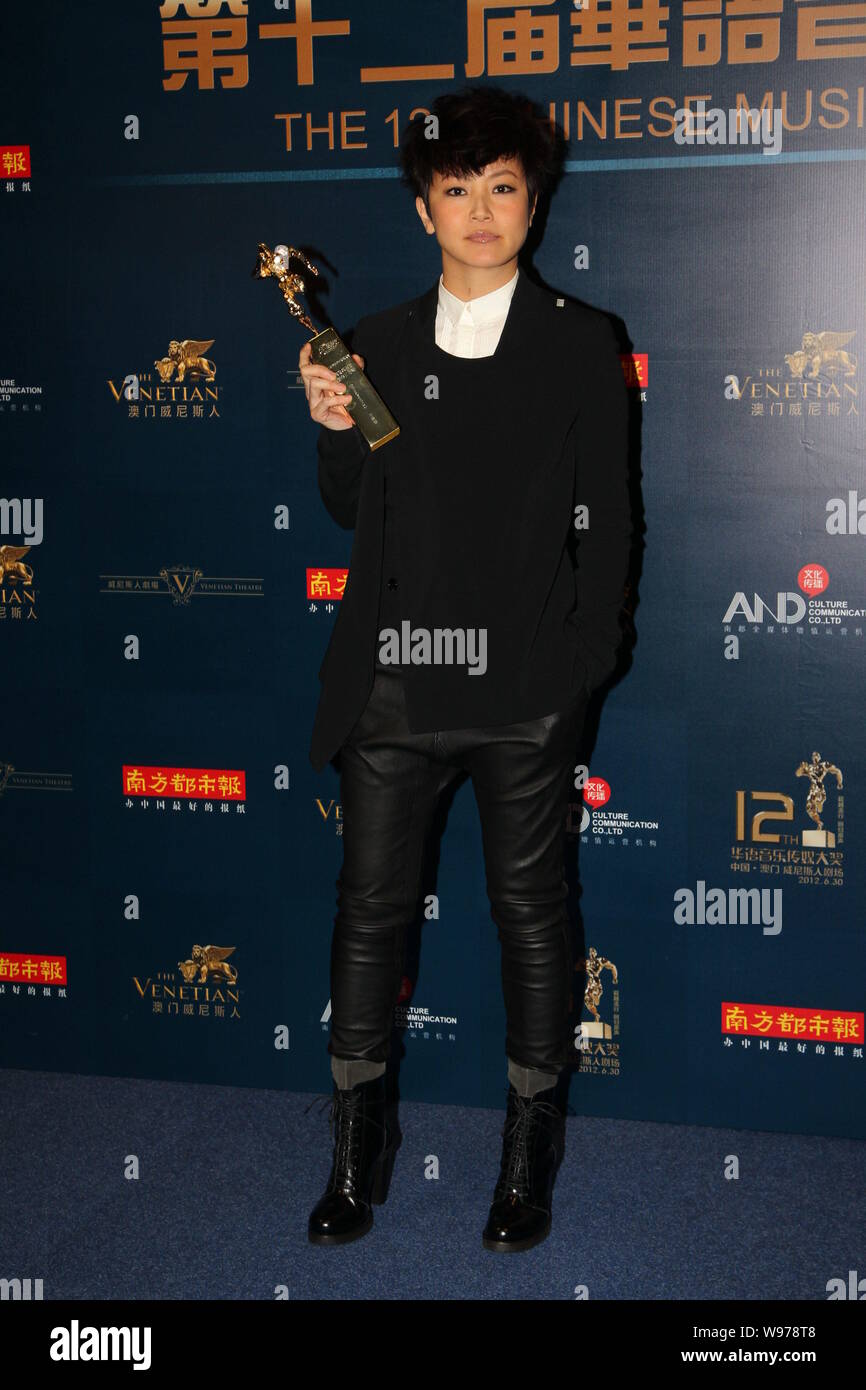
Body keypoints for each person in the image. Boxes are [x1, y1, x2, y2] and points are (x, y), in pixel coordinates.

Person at [298, 85, 632, 1252]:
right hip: (392, 682)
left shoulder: (581, 342)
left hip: (524, 690)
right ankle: (356, 1152)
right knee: (369, 916)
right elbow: (357, 511)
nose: (479, 209)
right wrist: (334, 426)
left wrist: (579, 666)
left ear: (533, 202)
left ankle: (524, 1162)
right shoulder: (375, 345)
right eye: (456, 188)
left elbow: (612, 521)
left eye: (501, 186)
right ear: (422, 208)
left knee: (531, 918)